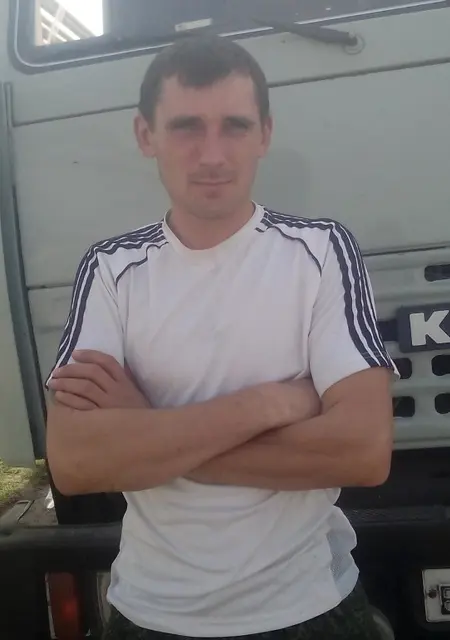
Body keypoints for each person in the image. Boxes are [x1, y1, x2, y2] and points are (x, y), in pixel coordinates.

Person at [46, 35, 397, 640]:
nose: (212, 154)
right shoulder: (111, 269)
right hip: (151, 614)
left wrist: (148, 430)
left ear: (265, 133)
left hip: (310, 608)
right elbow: (76, 462)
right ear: (145, 135)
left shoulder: (320, 252)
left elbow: (363, 452)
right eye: (186, 126)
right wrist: (268, 404)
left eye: (234, 126)